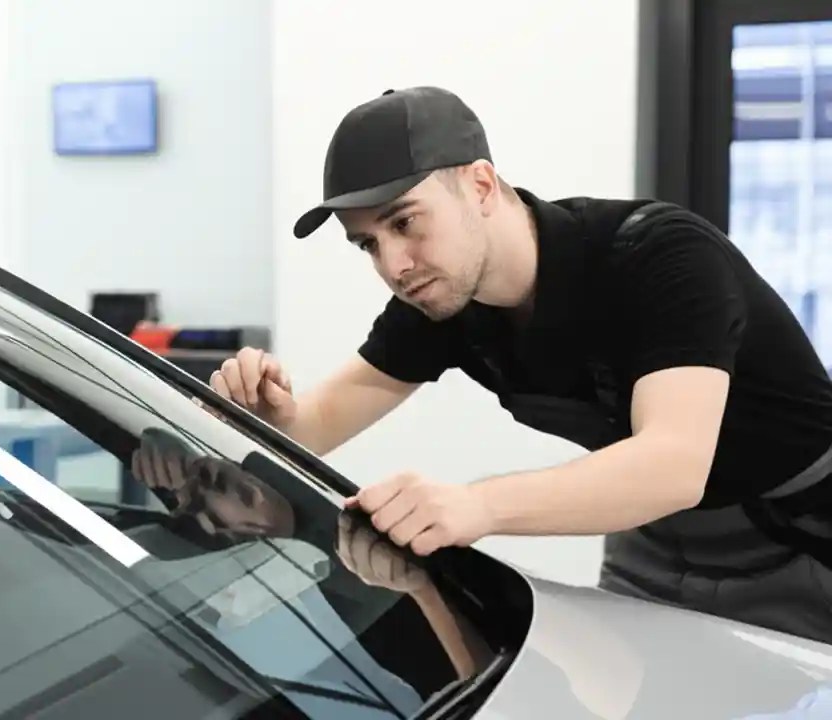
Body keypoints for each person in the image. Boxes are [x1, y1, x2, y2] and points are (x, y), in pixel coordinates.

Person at [208, 85, 832, 644]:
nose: (394, 265)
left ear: (481, 185)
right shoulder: (439, 300)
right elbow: (313, 428)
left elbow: (672, 464)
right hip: (655, 537)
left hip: (804, 539)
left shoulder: (659, 254)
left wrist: (476, 506)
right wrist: (271, 418)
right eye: (369, 243)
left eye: (405, 222)